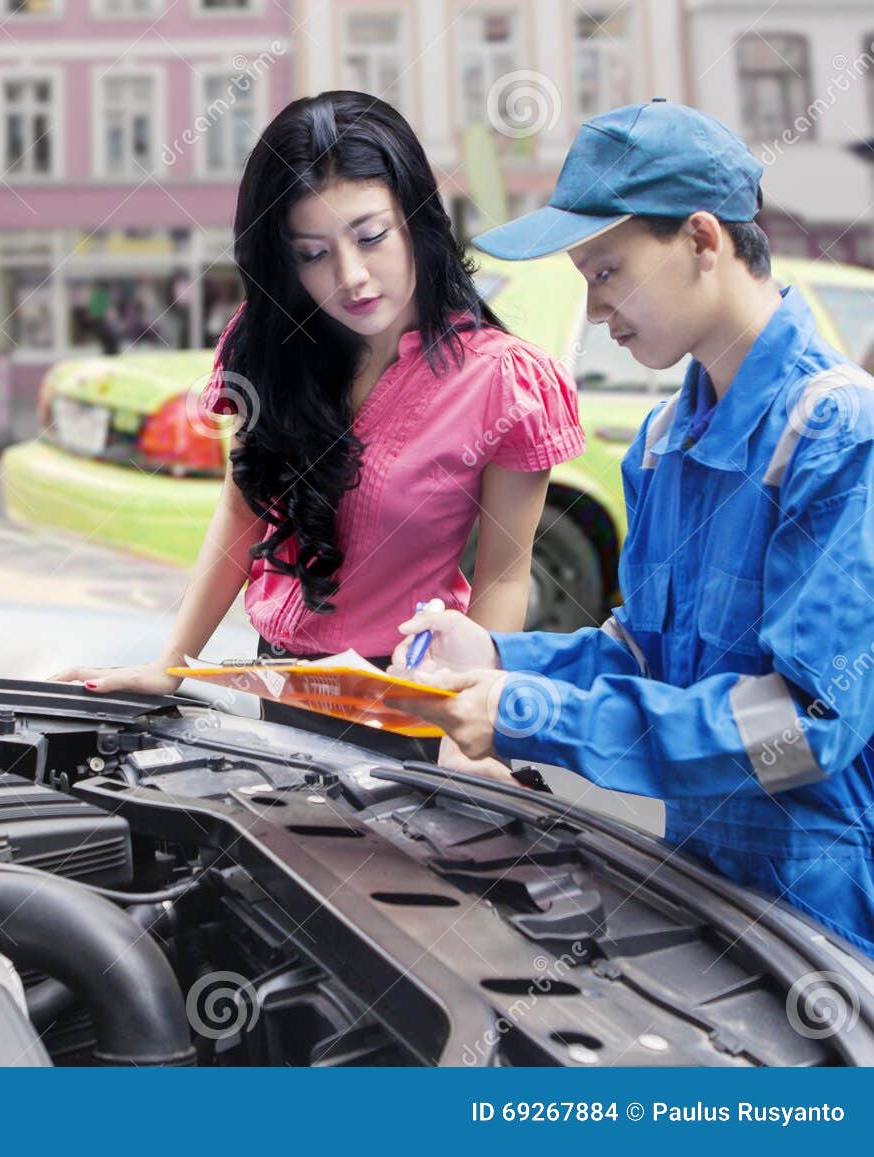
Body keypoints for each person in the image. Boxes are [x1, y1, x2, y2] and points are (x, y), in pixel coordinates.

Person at [394, 99, 874, 955]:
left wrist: (530, 711)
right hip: (698, 885)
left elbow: (799, 729)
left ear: (701, 239)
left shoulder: (840, 435)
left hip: (824, 911)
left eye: (606, 270)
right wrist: (497, 657)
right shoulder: (658, 447)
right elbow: (645, 655)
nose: (594, 308)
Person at [51, 91, 585, 772]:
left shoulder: (503, 380)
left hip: (411, 705)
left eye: (370, 237)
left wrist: (464, 732)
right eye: (312, 253)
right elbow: (240, 511)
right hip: (276, 693)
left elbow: (503, 580)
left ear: (415, 219)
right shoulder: (268, 344)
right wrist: (172, 665)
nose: (350, 278)